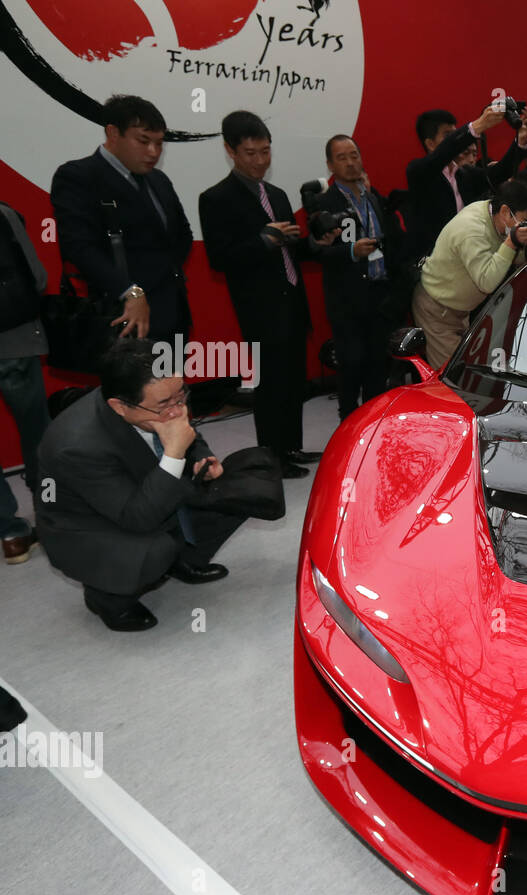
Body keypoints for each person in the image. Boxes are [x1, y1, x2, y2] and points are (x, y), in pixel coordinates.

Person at [36, 339, 247, 631]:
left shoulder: (164, 394)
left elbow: (188, 434)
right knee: (155, 548)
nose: (177, 410)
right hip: (91, 525)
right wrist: (174, 453)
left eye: (181, 395)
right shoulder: (76, 446)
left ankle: (182, 560)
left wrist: (201, 458)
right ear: (120, 407)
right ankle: (106, 599)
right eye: (165, 405)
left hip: (146, 488)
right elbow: (137, 518)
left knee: (247, 484)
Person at [198, 110, 322, 478]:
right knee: (271, 385)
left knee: (294, 380)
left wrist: (315, 243)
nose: (259, 161)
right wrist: (264, 241)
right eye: (250, 153)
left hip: (293, 301)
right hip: (260, 308)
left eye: (265, 151)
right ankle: (272, 457)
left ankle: (291, 445)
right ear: (230, 151)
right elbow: (220, 258)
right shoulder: (216, 198)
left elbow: (292, 250)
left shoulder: (278, 194)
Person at [50, 94, 193, 341]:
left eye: (159, 143)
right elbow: (79, 247)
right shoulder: (79, 176)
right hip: (119, 317)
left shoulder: (159, 180)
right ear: (113, 133)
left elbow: (181, 236)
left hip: (172, 314)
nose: (153, 152)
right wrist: (130, 291)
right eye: (143, 141)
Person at [313, 135, 402, 419]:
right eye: (342, 158)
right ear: (330, 165)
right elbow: (317, 251)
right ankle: (348, 425)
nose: (350, 162)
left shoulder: (372, 198)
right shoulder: (323, 203)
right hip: (347, 300)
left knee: (378, 366)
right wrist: (351, 251)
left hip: (379, 296)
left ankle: (372, 424)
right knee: (351, 366)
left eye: (354, 155)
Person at [411, 180, 527, 368]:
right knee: (453, 375)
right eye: (524, 221)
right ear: (505, 212)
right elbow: (486, 282)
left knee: (468, 371)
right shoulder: (472, 230)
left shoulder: (492, 215)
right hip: (438, 312)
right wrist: (511, 243)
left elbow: (506, 259)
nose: (524, 227)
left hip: (461, 312)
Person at [0, 201, 49, 565]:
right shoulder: (2, 214)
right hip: (12, 340)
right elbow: (38, 277)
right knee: (36, 430)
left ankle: (10, 534)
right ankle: (50, 512)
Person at [404, 104, 512, 262]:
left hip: (467, 258)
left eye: (455, 134)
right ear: (430, 144)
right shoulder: (419, 171)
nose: (456, 140)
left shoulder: (464, 174)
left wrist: (521, 141)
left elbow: (500, 173)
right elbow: (442, 155)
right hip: (434, 263)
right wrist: (476, 127)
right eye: (448, 135)